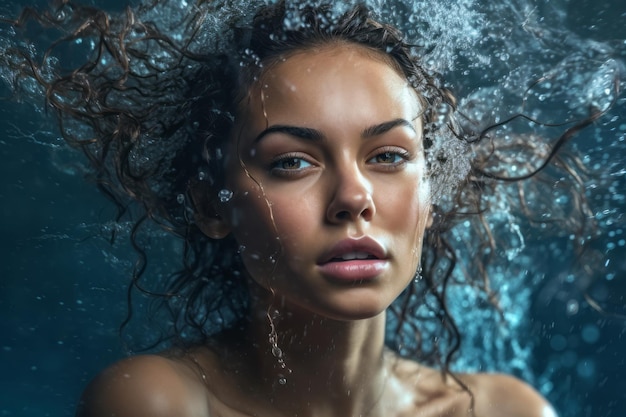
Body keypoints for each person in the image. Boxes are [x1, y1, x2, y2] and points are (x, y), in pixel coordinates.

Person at [2, 0, 613, 416]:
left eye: (388, 155)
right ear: (213, 204)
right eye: (292, 162)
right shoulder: (156, 403)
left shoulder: (506, 411)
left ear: (432, 194)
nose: (353, 198)